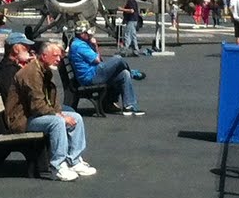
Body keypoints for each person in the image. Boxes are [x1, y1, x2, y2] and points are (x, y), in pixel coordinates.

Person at [8, 36, 91, 180]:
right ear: (44, 55)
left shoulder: (44, 70)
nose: (59, 59)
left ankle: (74, 160)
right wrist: (60, 116)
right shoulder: (31, 73)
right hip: (23, 120)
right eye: (56, 55)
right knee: (57, 122)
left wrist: (59, 112)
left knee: (76, 117)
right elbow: (37, 105)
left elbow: (51, 100)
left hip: (35, 115)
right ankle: (58, 166)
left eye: (60, 55)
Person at [67, 26, 144, 116]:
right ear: (82, 34)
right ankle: (132, 73)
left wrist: (93, 45)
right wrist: (95, 45)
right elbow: (98, 60)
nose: (90, 35)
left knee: (124, 74)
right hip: (91, 76)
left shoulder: (81, 43)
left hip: (94, 72)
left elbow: (99, 60)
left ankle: (129, 106)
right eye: (87, 33)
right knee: (118, 58)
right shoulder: (80, 45)